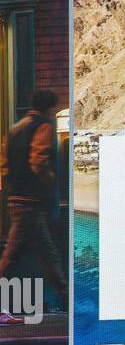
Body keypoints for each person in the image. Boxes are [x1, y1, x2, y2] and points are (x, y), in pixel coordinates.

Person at [0, 89, 68, 309]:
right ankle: (66, 299)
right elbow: (38, 161)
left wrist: (10, 187)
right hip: (30, 201)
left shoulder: (14, 129)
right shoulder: (43, 126)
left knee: (44, 254)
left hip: (16, 199)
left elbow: (4, 164)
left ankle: (66, 298)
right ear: (49, 108)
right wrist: (51, 183)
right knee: (15, 258)